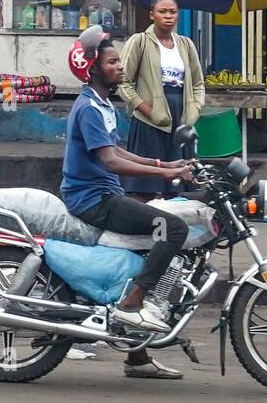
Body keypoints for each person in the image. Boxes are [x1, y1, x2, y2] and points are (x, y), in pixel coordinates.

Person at [61, 26, 194, 351]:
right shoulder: (89, 109)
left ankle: (136, 355)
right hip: (94, 200)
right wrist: (162, 176)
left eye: (119, 61)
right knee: (173, 229)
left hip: (105, 195)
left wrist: (165, 165)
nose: (119, 66)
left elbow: (118, 151)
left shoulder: (102, 104)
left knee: (154, 238)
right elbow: (110, 162)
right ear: (93, 69)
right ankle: (132, 302)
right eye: (111, 62)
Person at [116, 0, 205, 200]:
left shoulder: (186, 44)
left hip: (180, 122)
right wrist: (147, 110)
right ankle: (141, 228)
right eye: (162, 12)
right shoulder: (140, 42)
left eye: (172, 12)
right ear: (151, 15)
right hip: (150, 122)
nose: (168, 16)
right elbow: (123, 82)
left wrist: (195, 109)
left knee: (179, 186)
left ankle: (172, 228)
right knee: (145, 187)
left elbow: (199, 83)